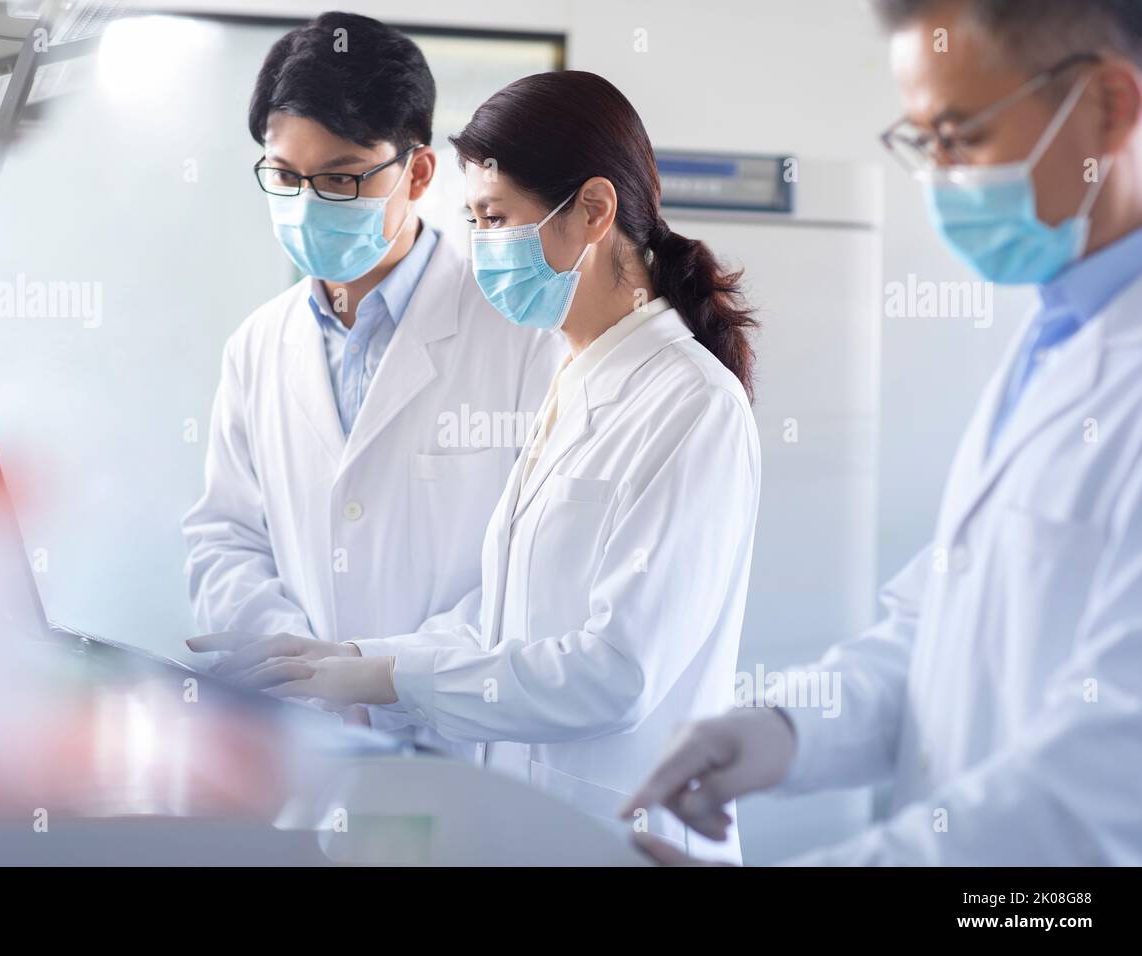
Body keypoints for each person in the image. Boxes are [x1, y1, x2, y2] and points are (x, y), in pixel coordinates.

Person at [628, 0, 1142, 866]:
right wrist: (788, 727)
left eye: (959, 136)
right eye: (921, 141)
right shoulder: (1058, 331)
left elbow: (1107, 784)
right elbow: (941, 621)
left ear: (1106, 108)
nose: (937, 175)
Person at [203, 70, 762, 861]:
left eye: (496, 218)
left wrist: (393, 681)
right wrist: (359, 659)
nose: (480, 246)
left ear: (594, 211)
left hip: (629, 840)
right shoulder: (574, 375)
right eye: (470, 219)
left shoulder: (691, 403)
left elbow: (616, 674)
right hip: (536, 831)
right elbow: (501, 621)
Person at [181, 13, 558, 748]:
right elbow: (224, 536)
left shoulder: (522, 334)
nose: (308, 202)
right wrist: (301, 666)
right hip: (306, 738)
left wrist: (377, 672)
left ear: (418, 173)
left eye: (343, 178)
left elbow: (534, 569)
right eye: (286, 176)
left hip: (462, 738)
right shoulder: (258, 345)